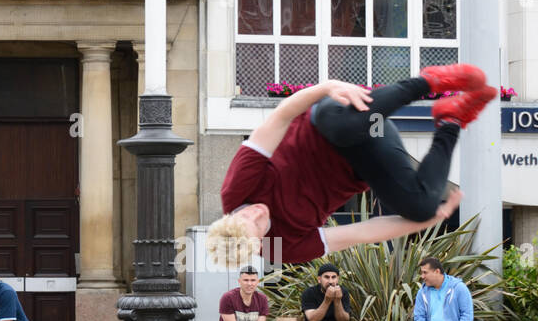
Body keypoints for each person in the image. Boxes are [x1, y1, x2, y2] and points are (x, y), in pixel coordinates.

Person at [207, 67, 498, 267]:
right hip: (373, 140)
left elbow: (281, 116)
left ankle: (428, 82)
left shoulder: (236, 189)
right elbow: (366, 232)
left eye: (245, 213)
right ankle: (451, 119)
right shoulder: (285, 248)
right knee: (421, 206)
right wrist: (428, 220)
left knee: (344, 128)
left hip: (337, 119)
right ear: (260, 244)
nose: (256, 211)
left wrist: (328, 87)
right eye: (257, 223)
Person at [287, 263, 363, 321]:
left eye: (333, 277)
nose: (330, 281)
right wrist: (327, 300)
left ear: (338, 278)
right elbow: (313, 320)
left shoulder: (343, 292)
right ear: (319, 279)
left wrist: (337, 300)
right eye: (326, 277)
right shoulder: (309, 293)